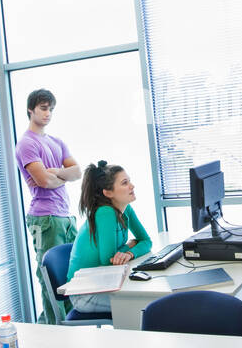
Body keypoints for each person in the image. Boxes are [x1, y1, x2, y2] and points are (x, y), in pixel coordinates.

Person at [14, 88, 81, 323]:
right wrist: (60, 175)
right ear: (30, 110)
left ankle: (68, 324)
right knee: (49, 278)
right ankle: (55, 330)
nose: (48, 113)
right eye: (43, 108)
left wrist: (56, 173)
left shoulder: (56, 142)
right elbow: (43, 181)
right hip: (44, 219)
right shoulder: (26, 144)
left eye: (51, 109)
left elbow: (78, 172)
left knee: (73, 275)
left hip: (65, 216)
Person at [67, 162, 153, 317]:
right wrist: (130, 245)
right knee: (145, 306)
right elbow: (108, 260)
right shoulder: (105, 213)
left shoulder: (126, 208)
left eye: (129, 181)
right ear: (108, 193)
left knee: (150, 301)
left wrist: (129, 253)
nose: (132, 186)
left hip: (106, 283)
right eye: (125, 183)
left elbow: (146, 241)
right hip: (85, 294)